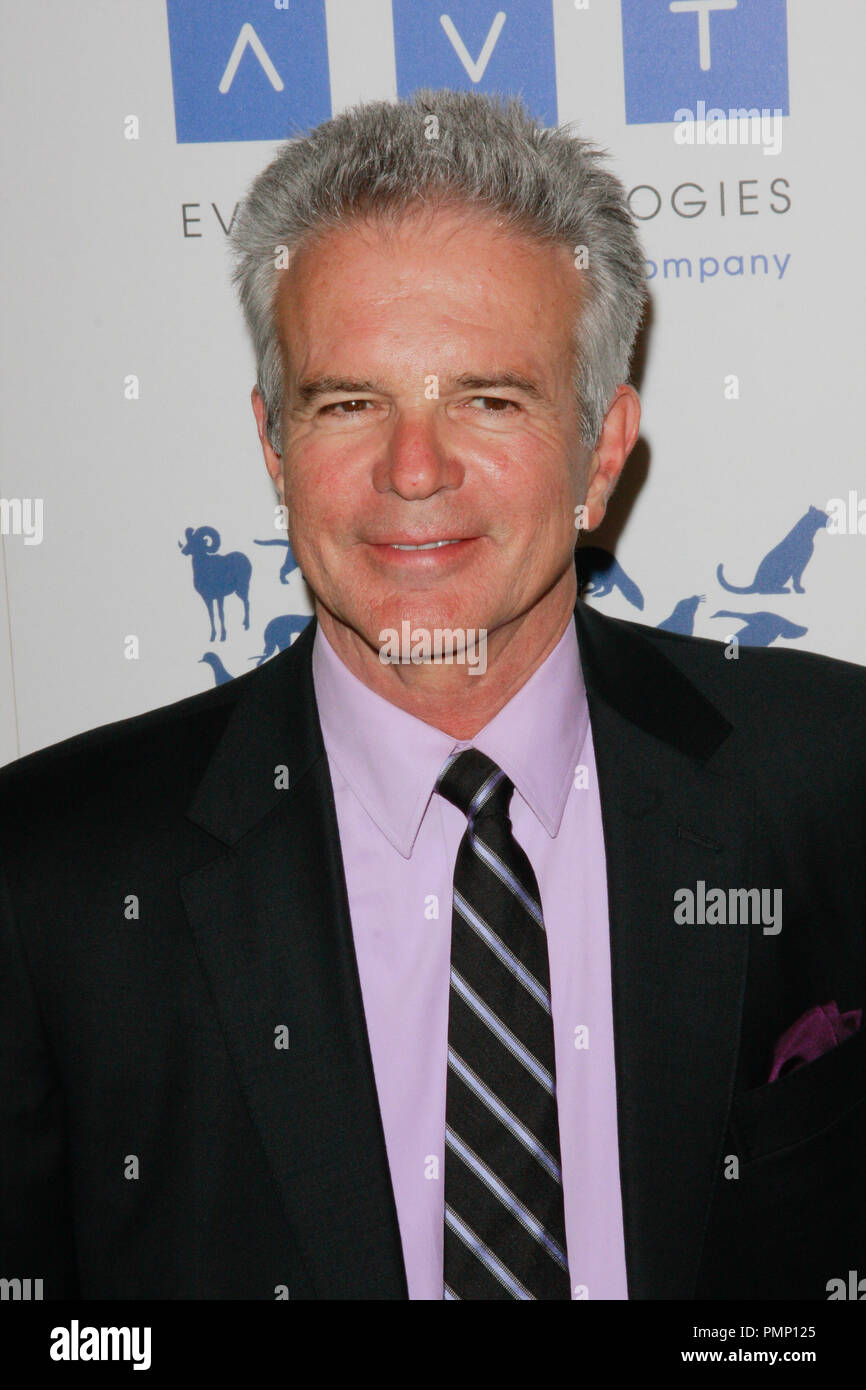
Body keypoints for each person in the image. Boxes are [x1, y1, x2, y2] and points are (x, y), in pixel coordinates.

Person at [1, 89, 863, 1302]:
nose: (414, 470)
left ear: (600, 452)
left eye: (487, 399)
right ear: (271, 448)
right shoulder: (51, 878)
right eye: (348, 402)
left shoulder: (833, 780)